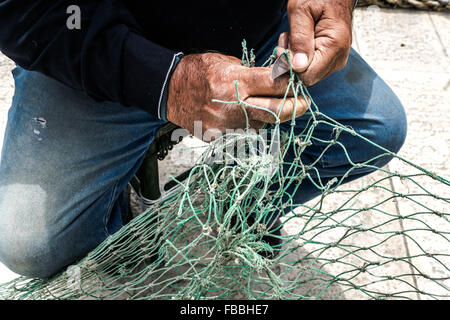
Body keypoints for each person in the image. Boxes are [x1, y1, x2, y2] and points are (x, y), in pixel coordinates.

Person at [0, 0, 407, 278]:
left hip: (259, 36)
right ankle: (130, 184)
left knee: (375, 129)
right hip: (89, 43)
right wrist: (166, 84)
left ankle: (233, 196)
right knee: (29, 243)